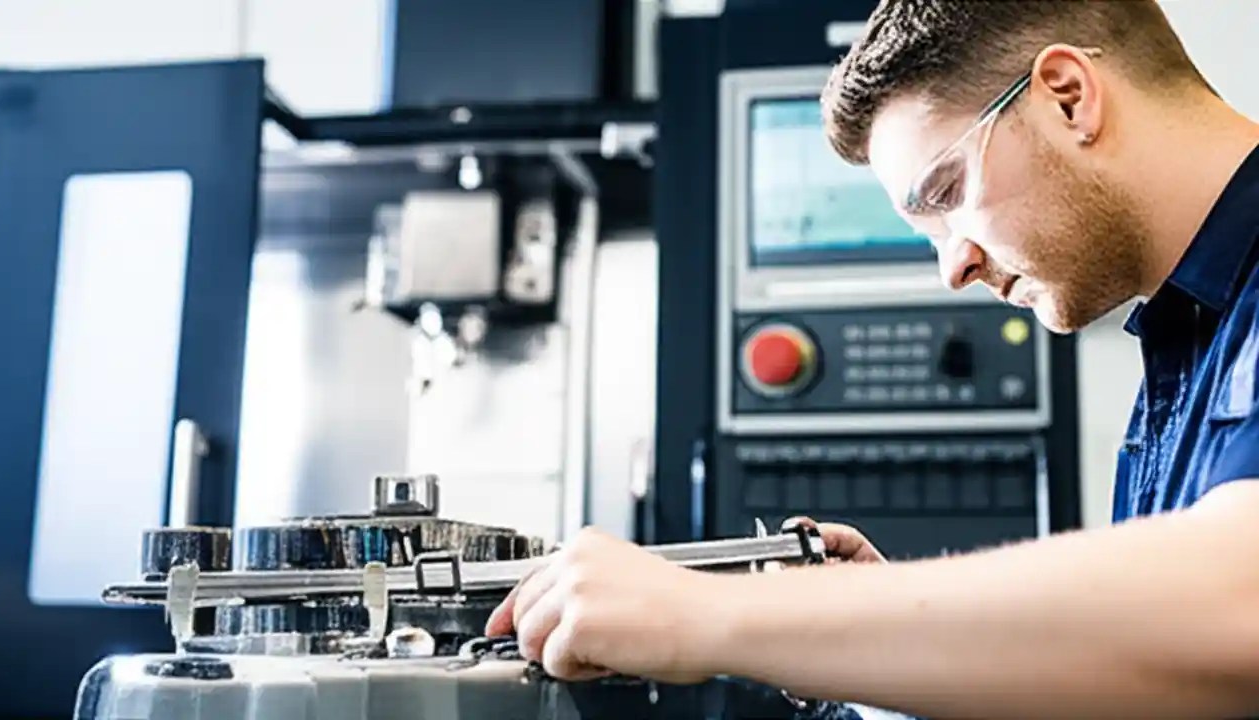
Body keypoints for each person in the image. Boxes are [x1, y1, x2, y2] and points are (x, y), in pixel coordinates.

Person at [485, 1, 1259, 717]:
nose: (954, 268)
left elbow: (1239, 603)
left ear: (1066, 96)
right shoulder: (1187, 347)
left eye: (947, 191)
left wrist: (706, 615)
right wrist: (884, 645)